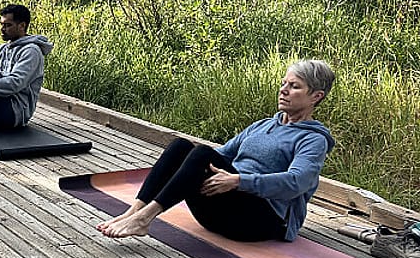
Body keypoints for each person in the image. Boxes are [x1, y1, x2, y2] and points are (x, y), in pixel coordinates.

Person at [97, 59, 336, 242]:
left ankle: (144, 218)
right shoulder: (263, 125)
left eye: (294, 87)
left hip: (262, 222)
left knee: (201, 153)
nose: (283, 90)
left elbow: (297, 182)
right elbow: (220, 155)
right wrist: (199, 171)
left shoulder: (313, 140)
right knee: (182, 147)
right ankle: (135, 211)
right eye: (284, 83)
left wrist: (239, 181)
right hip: (223, 210)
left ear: (316, 96)